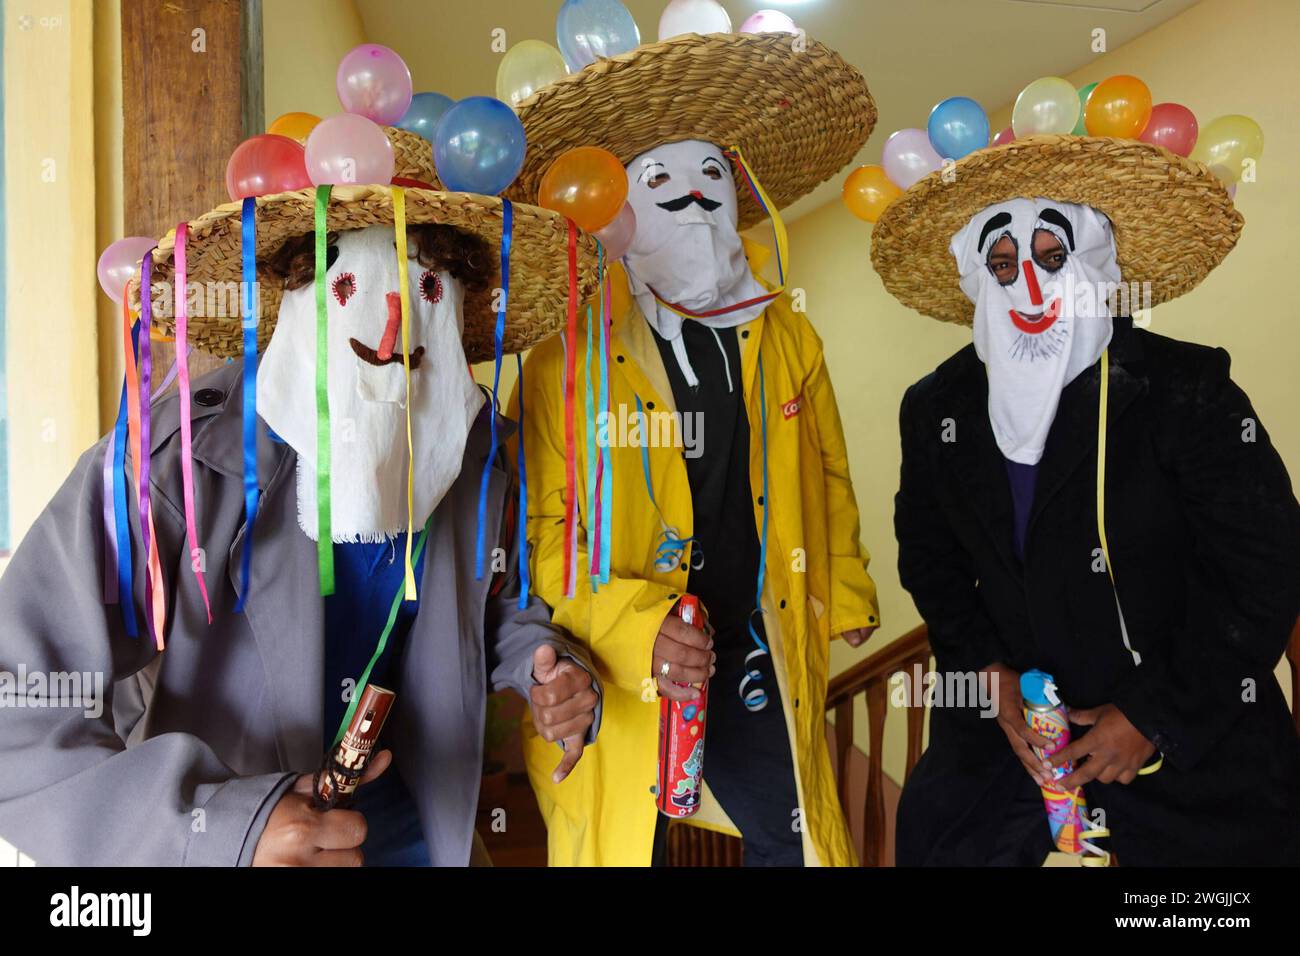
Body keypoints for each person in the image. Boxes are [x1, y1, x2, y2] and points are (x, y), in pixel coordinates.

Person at [0, 125, 604, 866]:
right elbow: (17, 698)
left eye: (425, 287)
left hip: (415, 823)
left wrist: (541, 660)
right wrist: (225, 827)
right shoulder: (179, 459)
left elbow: (495, 600)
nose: (389, 330)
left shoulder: (470, 450)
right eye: (349, 285)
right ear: (297, 295)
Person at [869, 130, 1300, 865]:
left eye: (1050, 257)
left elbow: (1263, 569)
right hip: (1015, 727)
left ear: (1095, 264)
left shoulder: (1185, 390)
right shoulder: (937, 407)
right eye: (1001, 265)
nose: (1027, 287)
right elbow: (930, 557)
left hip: (1186, 717)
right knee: (939, 838)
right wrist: (984, 672)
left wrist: (1154, 715)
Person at [506, 30, 881, 866]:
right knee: (624, 840)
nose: (694, 198)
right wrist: (640, 629)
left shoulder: (788, 336)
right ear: (615, 206)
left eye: (712, 174)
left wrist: (847, 592)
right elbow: (547, 530)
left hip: (757, 641)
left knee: (800, 841)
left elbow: (826, 469)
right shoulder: (562, 360)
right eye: (662, 179)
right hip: (622, 660)